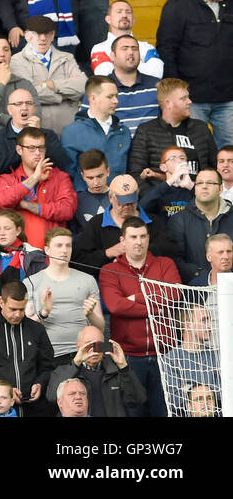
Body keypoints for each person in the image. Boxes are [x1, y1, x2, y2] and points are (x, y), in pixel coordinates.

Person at [99, 215, 179, 416]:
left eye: (143, 236)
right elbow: (115, 306)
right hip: (128, 357)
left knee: (164, 412)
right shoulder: (110, 271)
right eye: (133, 237)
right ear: (122, 241)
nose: (139, 242)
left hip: (165, 355)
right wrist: (155, 307)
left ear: (148, 238)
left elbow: (174, 296)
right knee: (133, 413)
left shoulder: (165, 264)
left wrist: (134, 298)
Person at [156, 0, 233, 143]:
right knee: (194, 151)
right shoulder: (178, 5)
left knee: (230, 155)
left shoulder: (231, 4)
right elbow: (166, 49)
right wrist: (176, 91)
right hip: (192, 98)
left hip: (228, 97)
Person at [0, 280, 56, 414]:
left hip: (35, 408)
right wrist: (2, 391)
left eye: (22, 309)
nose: (18, 314)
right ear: (2, 303)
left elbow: (48, 366)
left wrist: (40, 384)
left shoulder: (37, 329)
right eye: (13, 309)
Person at [23, 226, 104, 360]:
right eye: (59, 246)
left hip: (84, 352)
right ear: (47, 249)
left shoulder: (88, 280)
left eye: (68, 246)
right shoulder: (30, 282)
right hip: (47, 354)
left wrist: (90, 315)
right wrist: (44, 313)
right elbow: (25, 328)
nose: (64, 250)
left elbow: (100, 327)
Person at [169, 170, 233, 281]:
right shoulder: (179, 219)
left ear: (220, 189)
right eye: (199, 183)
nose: (204, 186)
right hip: (195, 289)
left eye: (210, 183)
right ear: (195, 189)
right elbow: (175, 259)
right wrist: (202, 276)